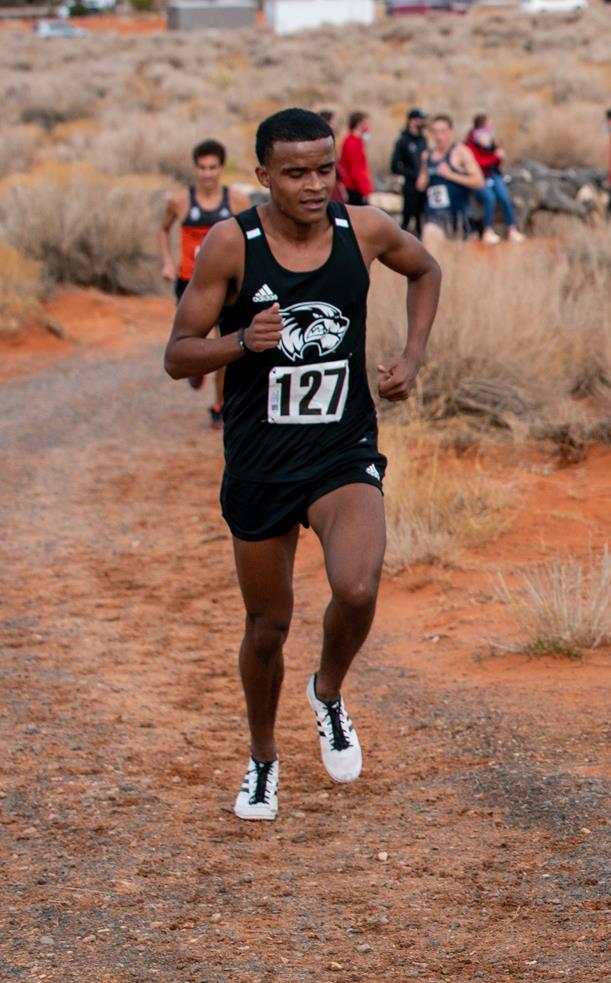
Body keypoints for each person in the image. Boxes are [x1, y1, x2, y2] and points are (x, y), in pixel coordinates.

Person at [163, 108, 441, 821]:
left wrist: (412, 355)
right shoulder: (232, 245)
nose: (315, 184)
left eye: (324, 169)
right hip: (260, 462)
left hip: (340, 450)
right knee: (267, 626)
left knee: (357, 585)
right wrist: (239, 343)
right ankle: (262, 758)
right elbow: (178, 355)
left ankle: (328, 691)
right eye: (295, 173)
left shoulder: (363, 229)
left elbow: (425, 269)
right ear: (264, 176)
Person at [159, 138, 252, 430]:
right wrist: (167, 262)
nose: (207, 173)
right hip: (190, 282)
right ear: (195, 168)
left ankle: (219, 404)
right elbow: (163, 230)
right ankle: (196, 370)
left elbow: (250, 236)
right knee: (192, 341)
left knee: (224, 345)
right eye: (202, 167)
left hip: (226, 284)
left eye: (212, 167)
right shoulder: (180, 201)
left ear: (221, 168)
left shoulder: (237, 201)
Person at [418, 113, 483, 241]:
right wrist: (421, 183)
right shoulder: (427, 155)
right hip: (435, 216)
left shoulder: (461, 152)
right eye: (435, 132)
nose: (439, 136)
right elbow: (422, 182)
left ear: (450, 132)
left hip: (460, 216)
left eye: (443, 131)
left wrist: (451, 175)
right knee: (430, 236)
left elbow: (479, 181)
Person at [467, 114, 525, 244]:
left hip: (493, 174)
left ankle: (512, 230)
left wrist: (498, 157)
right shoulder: (470, 144)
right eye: (488, 125)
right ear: (480, 126)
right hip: (479, 177)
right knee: (490, 198)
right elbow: (478, 163)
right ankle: (487, 231)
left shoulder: (490, 141)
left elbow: (495, 163)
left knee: (504, 197)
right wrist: (494, 156)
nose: (490, 128)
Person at [389, 108, 428, 237]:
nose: (422, 122)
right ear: (411, 121)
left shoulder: (423, 139)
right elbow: (394, 166)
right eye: (419, 120)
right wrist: (413, 175)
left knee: (421, 219)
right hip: (410, 186)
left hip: (423, 186)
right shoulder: (403, 141)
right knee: (407, 219)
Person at [339, 111, 374, 206]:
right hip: (353, 188)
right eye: (366, 123)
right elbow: (357, 170)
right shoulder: (353, 143)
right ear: (359, 124)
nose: (369, 126)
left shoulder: (354, 141)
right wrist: (366, 190)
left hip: (353, 187)